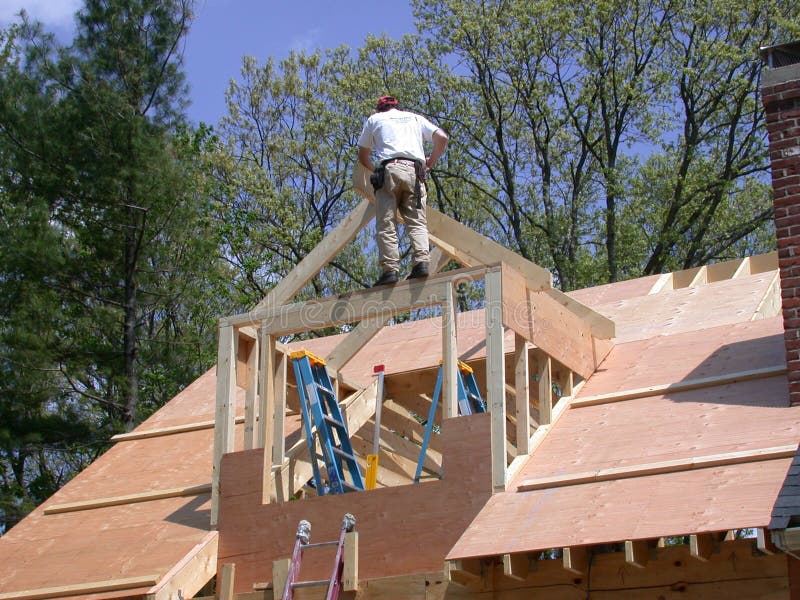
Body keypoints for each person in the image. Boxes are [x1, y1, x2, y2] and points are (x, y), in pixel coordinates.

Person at [358, 95, 449, 286]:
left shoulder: (375, 120)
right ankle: (422, 263)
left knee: (386, 223)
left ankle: (390, 270)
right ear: (398, 106)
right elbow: (442, 137)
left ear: (379, 109)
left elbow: (362, 154)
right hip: (415, 173)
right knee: (416, 222)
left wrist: (375, 170)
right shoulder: (414, 118)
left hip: (389, 171)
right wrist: (430, 162)